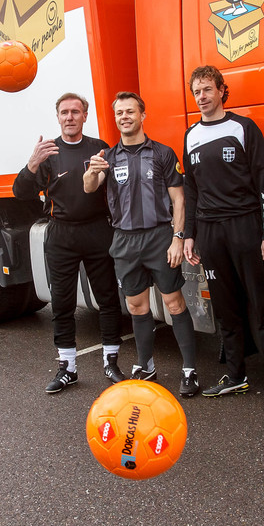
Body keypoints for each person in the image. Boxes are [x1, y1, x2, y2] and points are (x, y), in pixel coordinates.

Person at [181, 65, 264, 411]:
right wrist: (189, 236)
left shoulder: (242, 128)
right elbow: (191, 190)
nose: (202, 97)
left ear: (222, 91)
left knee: (262, 306)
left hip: (246, 226)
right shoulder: (190, 135)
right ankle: (236, 376)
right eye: (197, 91)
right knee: (225, 309)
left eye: (208, 90)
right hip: (210, 233)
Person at [84, 92, 202, 397]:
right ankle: (146, 365)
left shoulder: (162, 153)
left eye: (130, 112)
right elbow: (89, 187)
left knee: (174, 302)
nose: (125, 117)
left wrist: (177, 238)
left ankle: (190, 371)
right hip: (124, 240)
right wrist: (92, 171)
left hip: (159, 237)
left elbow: (179, 200)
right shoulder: (106, 157)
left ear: (142, 115)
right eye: (119, 113)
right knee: (136, 305)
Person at [12, 92, 125, 393]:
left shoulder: (99, 148)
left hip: (97, 230)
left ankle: (111, 362)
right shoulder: (47, 152)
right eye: (64, 112)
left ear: (85, 116)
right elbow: (20, 192)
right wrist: (32, 164)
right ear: (58, 117)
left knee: (108, 298)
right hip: (61, 234)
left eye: (76, 111)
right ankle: (68, 368)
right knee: (62, 302)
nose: (70, 117)